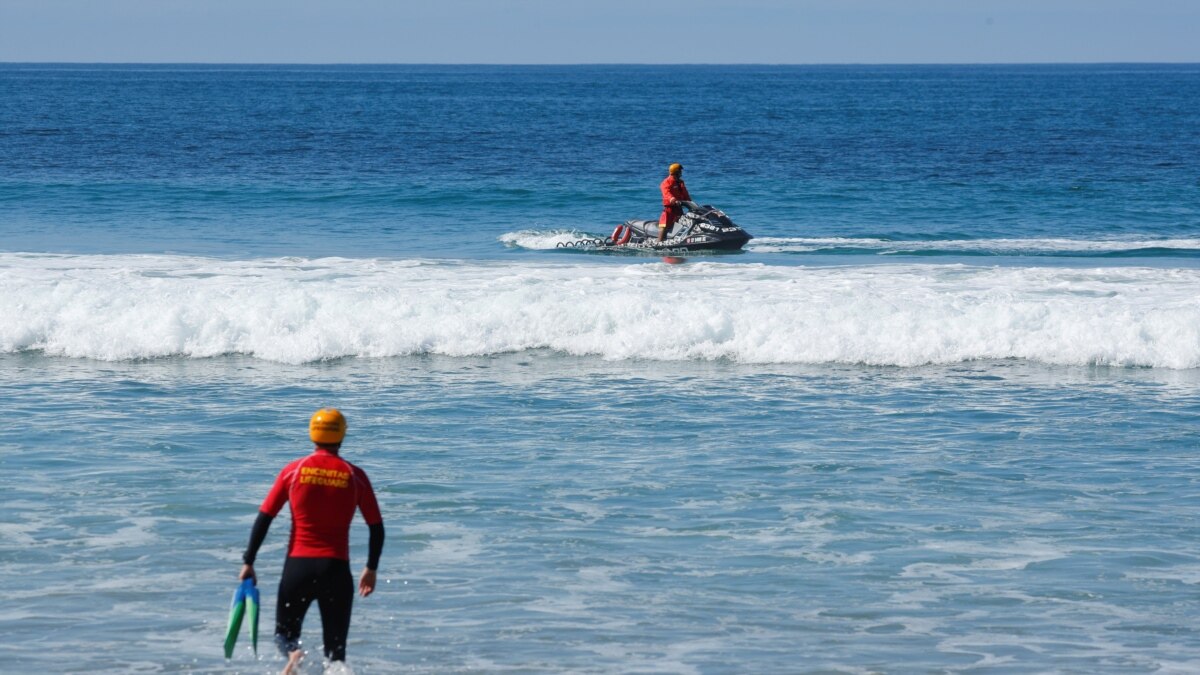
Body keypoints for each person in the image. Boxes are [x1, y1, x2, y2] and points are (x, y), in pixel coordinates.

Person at [239, 408, 385, 674]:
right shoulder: (355, 476)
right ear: (342, 434)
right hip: (336, 569)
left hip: (298, 568)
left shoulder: (293, 471)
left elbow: (265, 517)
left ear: (312, 433)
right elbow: (376, 527)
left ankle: (294, 655)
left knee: (284, 636)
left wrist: (249, 561)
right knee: (336, 655)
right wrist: (371, 568)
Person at [658, 163, 693, 242]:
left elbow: (685, 194)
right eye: (680, 171)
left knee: (681, 223)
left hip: (679, 207)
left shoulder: (680, 182)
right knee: (664, 224)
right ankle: (658, 242)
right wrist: (672, 199)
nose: (681, 173)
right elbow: (666, 192)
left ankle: (677, 240)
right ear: (675, 172)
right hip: (670, 208)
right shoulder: (666, 182)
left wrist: (691, 203)